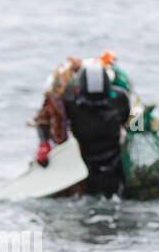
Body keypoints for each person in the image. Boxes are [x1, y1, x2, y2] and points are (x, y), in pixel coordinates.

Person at [32, 52, 134, 197]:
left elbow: (136, 115)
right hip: (82, 160)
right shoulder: (68, 99)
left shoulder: (119, 98)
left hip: (113, 158)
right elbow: (44, 118)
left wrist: (138, 133)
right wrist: (44, 144)